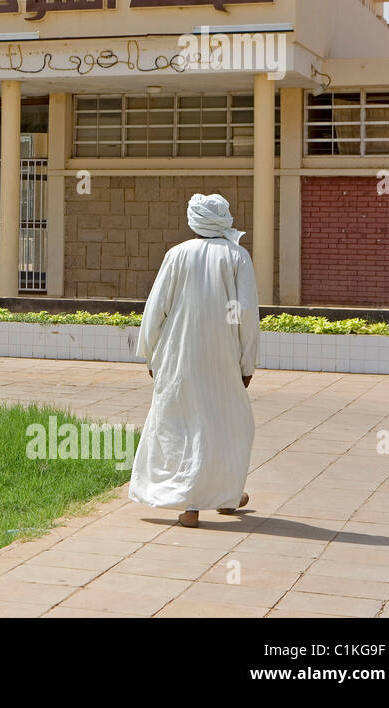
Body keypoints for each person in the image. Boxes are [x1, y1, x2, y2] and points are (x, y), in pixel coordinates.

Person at [131, 193, 259, 528]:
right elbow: (245, 314)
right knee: (226, 425)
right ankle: (210, 497)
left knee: (183, 424)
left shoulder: (177, 254)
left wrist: (150, 352)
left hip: (178, 356)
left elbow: (156, 307)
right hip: (223, 357)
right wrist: (247, 363)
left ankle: (212, 500)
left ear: (194, 220)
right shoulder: (237, 257)